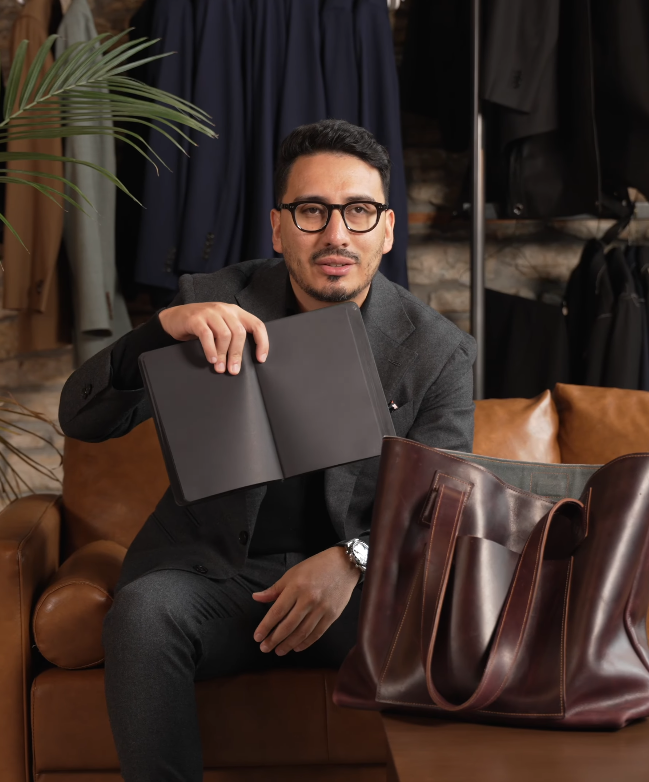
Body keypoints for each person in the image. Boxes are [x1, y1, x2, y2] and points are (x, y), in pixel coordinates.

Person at [58, 119, 476, 781]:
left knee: (458, 633)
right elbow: (81, 420)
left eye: (358, 212)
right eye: (312, 211)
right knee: (141, 614)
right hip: (218, 580)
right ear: (278, 227)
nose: (336, 234)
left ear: (386, 229)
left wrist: (351, 559)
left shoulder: (437, 349)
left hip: (357, 597)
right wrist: (155, 334)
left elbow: (442, 505)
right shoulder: (209, 301)